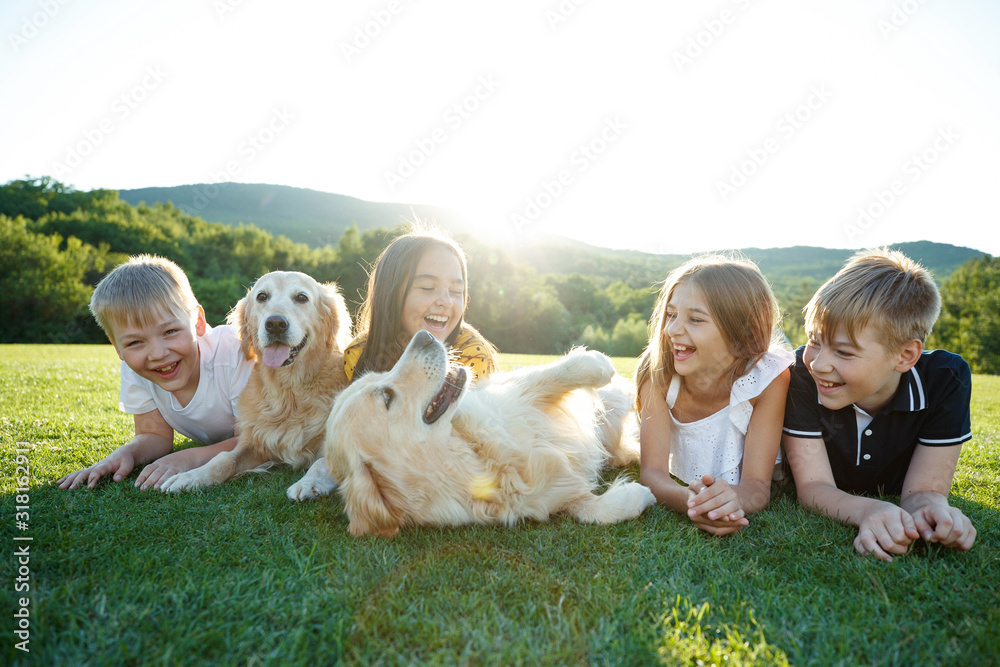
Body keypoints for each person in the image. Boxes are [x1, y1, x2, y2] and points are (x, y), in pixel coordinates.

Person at [782, 248, 976, 562]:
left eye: (844, 352)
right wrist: (869, 509)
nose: (818, 363)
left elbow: (924, 490)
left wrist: (935, 512)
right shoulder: (800, 375)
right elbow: (813, 486)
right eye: (814, 340)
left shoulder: (945, 379)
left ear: (905, 356)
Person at [58, 255, 254, 491]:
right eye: (135, 343)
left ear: (198, 322)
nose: (158, 354)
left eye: (170, 331)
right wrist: (126, 453)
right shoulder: (137, 369)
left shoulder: (234, 353)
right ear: (117, 347)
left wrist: (190, 458)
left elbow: (255, 443)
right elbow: (154, 434)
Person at [635, 254, 793, 536]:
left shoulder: (767, 379)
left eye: (695, 319)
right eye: (671, 314)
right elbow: (652, 475)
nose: (672, 329)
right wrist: (692, 502)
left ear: (740, 336)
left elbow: (756, 487)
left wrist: (732, 502)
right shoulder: (657, 372)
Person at [344, 227, 499, 382]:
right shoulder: (358, 354)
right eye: (428, 287)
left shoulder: (471, 354)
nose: (446, 302)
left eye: (456, 290)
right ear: (389, 293)